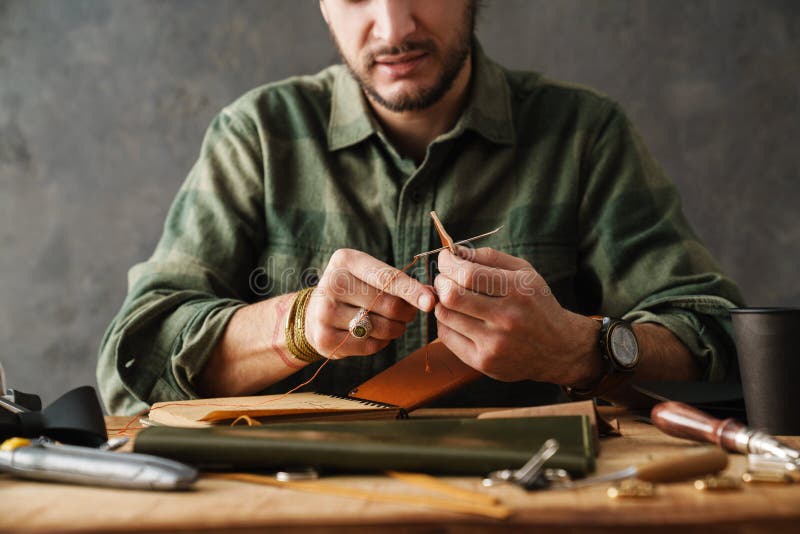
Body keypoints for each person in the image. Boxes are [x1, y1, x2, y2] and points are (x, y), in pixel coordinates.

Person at [97, 0, 743, 415]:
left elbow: (719, 338)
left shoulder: (584, 135)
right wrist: (296, 326)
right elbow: (132, 363)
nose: (394, 27)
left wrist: (575, 349)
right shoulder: (259, 136)